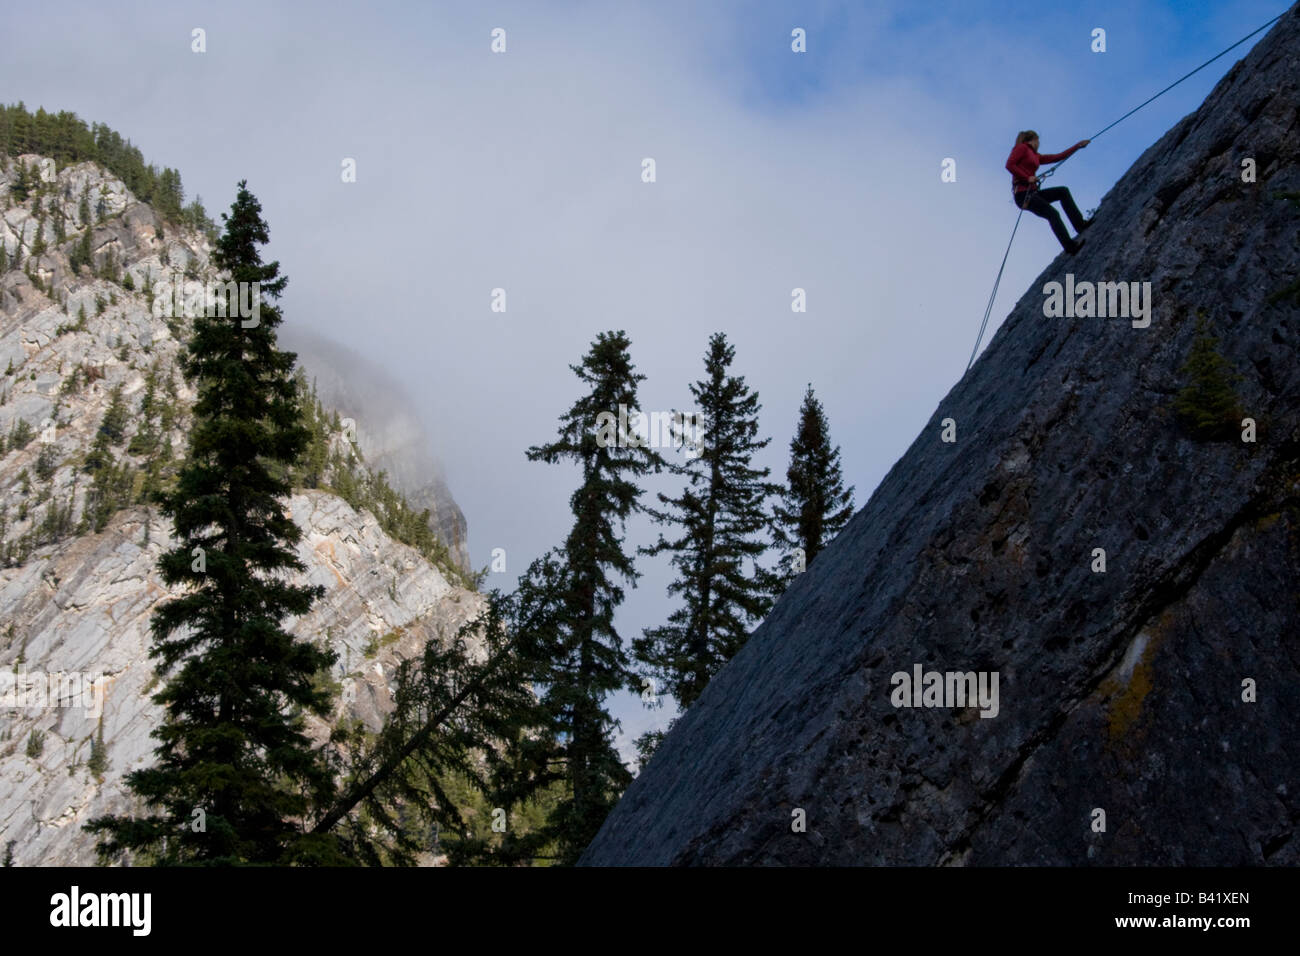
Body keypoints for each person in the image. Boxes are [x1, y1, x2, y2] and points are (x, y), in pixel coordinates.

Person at [1006, 130, 1093, 254]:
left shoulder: (1036, 156)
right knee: (1052, 214)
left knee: (1063, 192)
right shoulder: (1022, 148)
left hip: (1032, 193)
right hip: (1023, 195)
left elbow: (1057, 157)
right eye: (1038, 141)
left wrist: (1077, 146)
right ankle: (1070, 247)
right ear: (1034, 140)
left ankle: (1079, 224)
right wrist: (1027, 177)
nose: (1039, 144)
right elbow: (1009, 165)